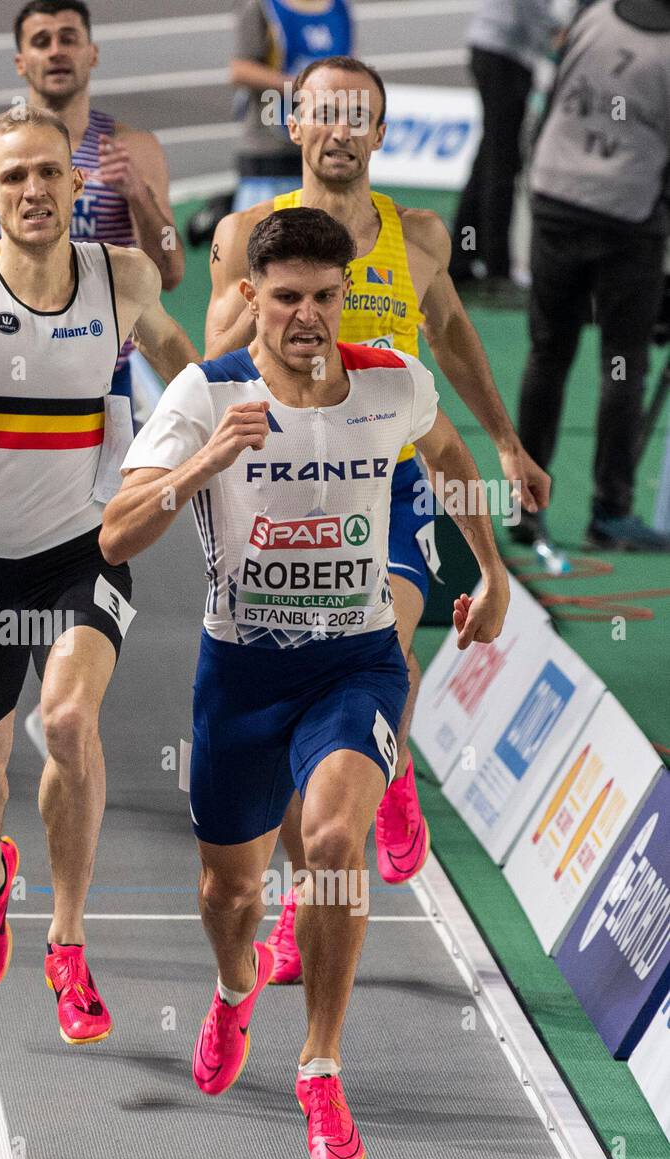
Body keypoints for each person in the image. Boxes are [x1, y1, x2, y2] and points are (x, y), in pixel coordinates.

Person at [101, 207, 510, 1159]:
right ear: (250, 296)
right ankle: (238, 988)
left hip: (355, 658)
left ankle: (321, 1064)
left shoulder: (389, 383)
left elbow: (447, 455)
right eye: (287, 297)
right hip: (241, 674)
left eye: (326, 297)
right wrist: (206, 461)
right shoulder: (207, 393)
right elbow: (116, 534)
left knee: (331, 840)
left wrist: (487, 570)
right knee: (229, 893)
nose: (309, 316)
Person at [205, 56, 549, 974]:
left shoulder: (421, 236)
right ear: (297, 124)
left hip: (387, 488)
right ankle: (298, 894)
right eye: (326, 114)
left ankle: (383, 775)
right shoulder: (247, 235)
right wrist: (280, 310)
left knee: (378, 647)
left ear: (382, 132)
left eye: (361, 116)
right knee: (291, 721)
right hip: (281, 499)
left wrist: (507, 441)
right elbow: (212, 368)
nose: (342, 131)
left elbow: (451, 333)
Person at [0, 106, 197, 1044]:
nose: (32, 190)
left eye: (48, 175)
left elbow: (189, 367)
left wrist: (180, 459)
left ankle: (66, 938)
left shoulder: (123, 277)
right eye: (13, 176)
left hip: (80, 554)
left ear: (73, 186)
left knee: (67, 719)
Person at [0, 0, 184, 362]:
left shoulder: (134, 149)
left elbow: (169, 273)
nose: (56, 51)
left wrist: (139, 196)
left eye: (68, 39)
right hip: (4, 353)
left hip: (105, 370)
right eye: (42, 42)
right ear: (21, 62)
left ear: (92, 54)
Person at [516, 0, 670, 552]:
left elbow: (554, 92)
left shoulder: (593, 11)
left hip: (556, 192)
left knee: (547, 354)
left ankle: (524, 508)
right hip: (627, 215)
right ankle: (609, 512)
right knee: (623, 364)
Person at [448, 0, 562, 292]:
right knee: (501, 164)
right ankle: (496, 268)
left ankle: (462, 258)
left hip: (499, 50)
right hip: (504, 54)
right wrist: (556, 42)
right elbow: (528, 12)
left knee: (489, 161)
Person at [229, 0, 352, 211]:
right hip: (269, 146)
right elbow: (240, 69)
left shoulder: (339, 7)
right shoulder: (261, 6)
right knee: (258, 235)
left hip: (322, 144)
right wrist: (303, 86)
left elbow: (350, 64)